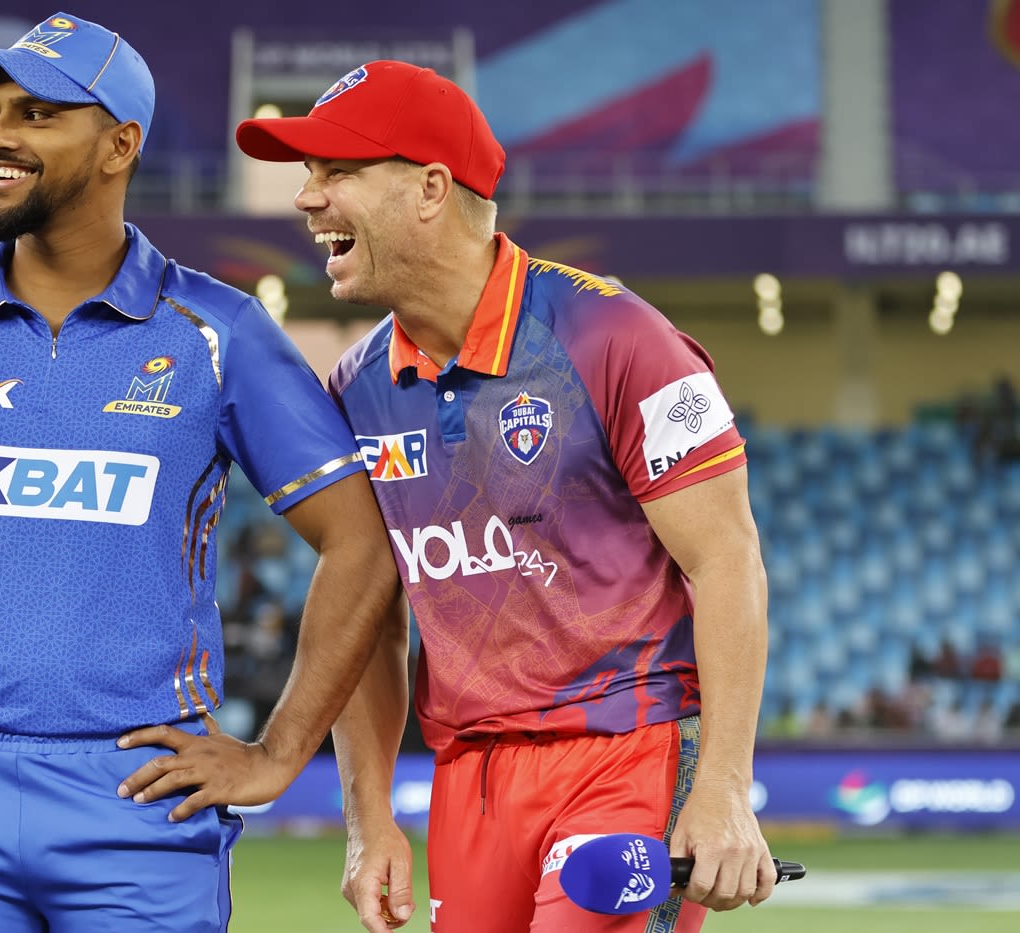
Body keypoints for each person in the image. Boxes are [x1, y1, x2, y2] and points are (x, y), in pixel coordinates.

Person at [0, 15, 398, 932]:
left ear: (120, 145)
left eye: (37, 114)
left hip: (138, 795)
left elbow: (361, 543)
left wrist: (280, 753)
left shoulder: (219, 332)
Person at [236, 60, 775, 932]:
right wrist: (368, 819)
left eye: (337, 172)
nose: (306, 197)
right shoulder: (354, 388)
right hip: (470, 779)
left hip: (627, 754)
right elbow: (368, 614)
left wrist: (722, 785)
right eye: (308, 173)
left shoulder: (617, 334)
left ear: (430, 189)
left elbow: (727, 559)